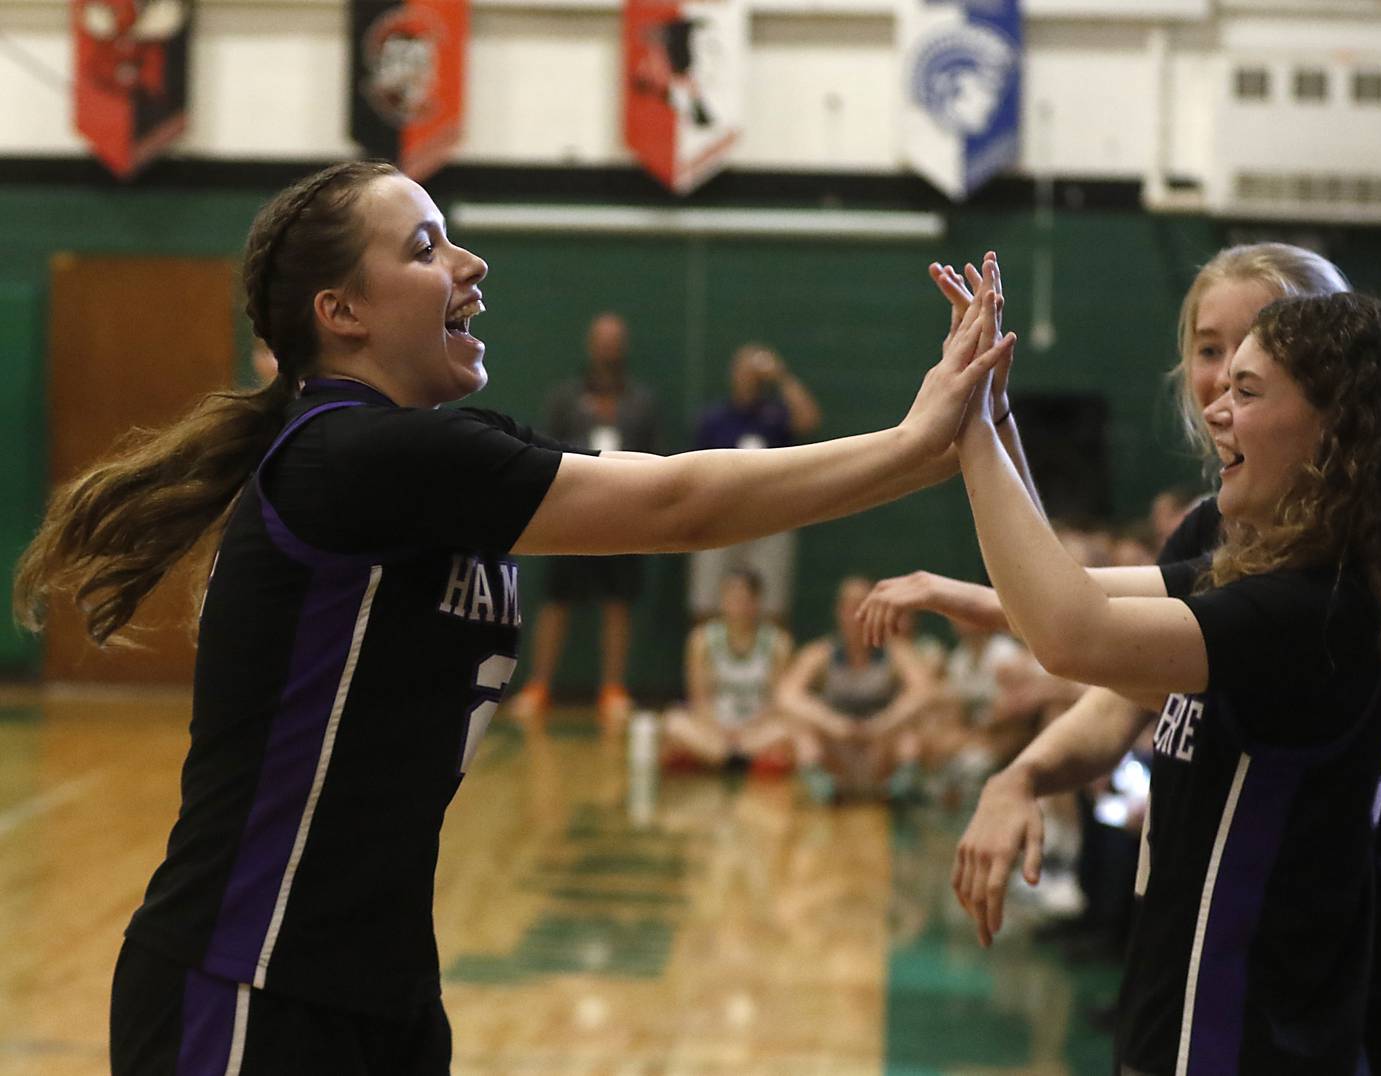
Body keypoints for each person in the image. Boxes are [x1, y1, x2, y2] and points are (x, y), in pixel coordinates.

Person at [11, 161, 1000, 1072]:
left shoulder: (430, 463)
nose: (468, 262)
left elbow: (673, 492)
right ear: (339, 310)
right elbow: (680, 505)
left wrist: (931, 445)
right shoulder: (352, 459)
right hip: (247, 975)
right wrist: (917, 437)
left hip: (381, 984)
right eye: (425, 246)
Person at [861, 245, 1381, 1071]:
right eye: (1212, 357)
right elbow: (1076, 605)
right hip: (1192, 990)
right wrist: (992, 411)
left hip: (1280, 1019)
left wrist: (971, 430)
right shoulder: (1249, 555)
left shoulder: (1323, 600)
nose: (1216, 400)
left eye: (1249, 379)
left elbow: (1075, 632)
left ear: (1332, 417)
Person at [507, 312, 660, 731]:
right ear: (591, 345)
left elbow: (653, 456)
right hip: (573, 513)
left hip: (626, 516)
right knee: (557, 601)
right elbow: (545, 448)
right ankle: (538, 687)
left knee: (617, 603)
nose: (609, 347)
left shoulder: (641, 401)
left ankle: (613, 689)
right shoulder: (565, 397)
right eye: (602, 339)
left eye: (616, 339)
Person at [688, 343, 822, 622]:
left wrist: (780, 376)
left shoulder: (775, 417)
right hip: (720, 518)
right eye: (742, 370)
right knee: (707, 604)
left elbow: (809, 419)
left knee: (773, 607)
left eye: (753, 371)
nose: (747, 377)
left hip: (770, 520)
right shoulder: (715, 419)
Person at [776, 576, 937, 804]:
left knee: (909, 736)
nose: (858, 615)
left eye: (864, 605)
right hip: (839, 747)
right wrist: (834, 724)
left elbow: (924, 692)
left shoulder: (896, 652)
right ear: (839, 612)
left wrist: (881, 724)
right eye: (851, 607)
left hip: (879, 746)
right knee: (801, 732)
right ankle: (824, 787)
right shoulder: (821, 653)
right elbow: (787, 696)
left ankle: (900, 788)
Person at [661, 568, 796, 769]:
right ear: (721, 601)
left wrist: (748, 730)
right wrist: (719, 730)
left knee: (790, 730)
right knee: (673, 721)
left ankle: (719, 759)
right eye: (731, 598)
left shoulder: (778, 643)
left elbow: (777, 702)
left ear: (757, 602)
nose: (737, 606)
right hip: (714, 730)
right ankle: (735, 758)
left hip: (757, 730)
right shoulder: (701, 641)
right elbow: (699, 700)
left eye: (744, 599)